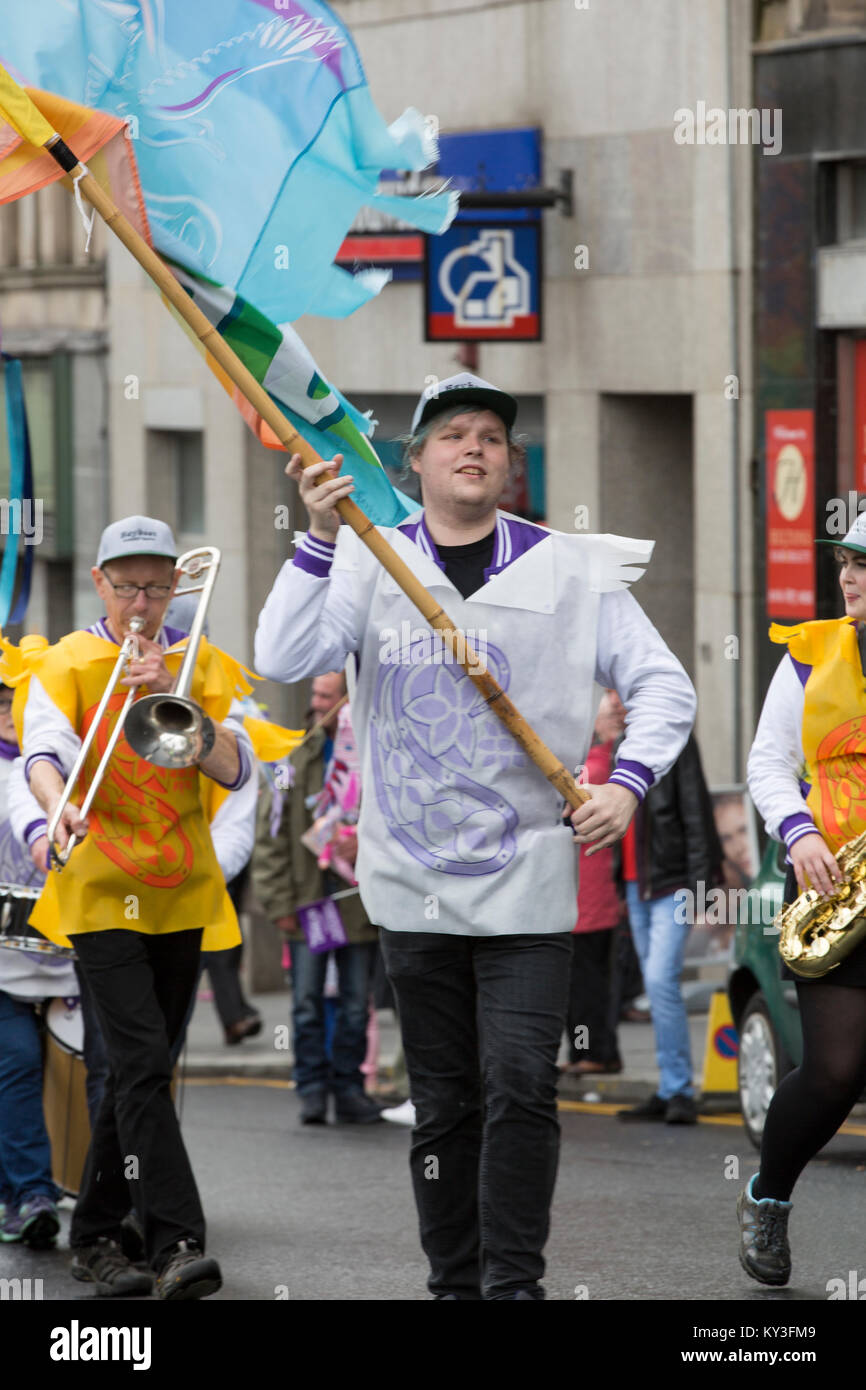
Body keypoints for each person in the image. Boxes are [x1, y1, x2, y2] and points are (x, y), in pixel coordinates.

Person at [254, 371, 696, 1299]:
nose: (474, 447)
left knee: (524, 1087)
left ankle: (513, 1286)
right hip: (409, 887)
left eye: (492, 436)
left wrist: (625, 783)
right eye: (452, 434)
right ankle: (453, 1281)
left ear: (511, 465)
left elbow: (665, 686)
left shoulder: (569, 567)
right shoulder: (372, 560)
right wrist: (322, 538)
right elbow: (284, 660)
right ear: (413, 463)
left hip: (531, 886)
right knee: (445, 1102)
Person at [19, 515, 254, 1300]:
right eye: (129, 587)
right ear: (101, 586)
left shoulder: (202, 663)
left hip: (181, 889)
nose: (143, 603)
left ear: (176, 587)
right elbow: (44, 753)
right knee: (143, 1064)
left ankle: (96, 1237)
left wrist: (167, 688)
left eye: (157, 586)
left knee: (137, 1069)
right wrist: (60, 807)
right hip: (96, 887)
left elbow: (234, 768)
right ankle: (178, 1240)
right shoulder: (68, 660)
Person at [738, 511, 866, 1286]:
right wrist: (799, 834)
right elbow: (768, 763)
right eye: (846, 561)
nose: (850, 575)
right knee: (834, 1072)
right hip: (832, 881)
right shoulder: (810, 654)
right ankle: (769, 1199)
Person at [252, 671, 382, 1124]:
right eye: (315, 694)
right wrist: (278, 904)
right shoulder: (293, 756)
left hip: (357, 900)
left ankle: (349, 1090)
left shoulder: (372, 751)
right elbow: (269, 835)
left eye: (328, 695)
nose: (317, 702)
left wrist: (365, 843)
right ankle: (310, 1088)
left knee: (353, 1002)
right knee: (306, 1000)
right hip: (307, 899)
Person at [0, 673, 78, 1248]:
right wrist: (41, 841)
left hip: (76, 956)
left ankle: (118, 1193)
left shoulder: (66, 761)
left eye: (17, 702)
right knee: (17, 1065)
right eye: (2, 705)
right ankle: (30, 1194)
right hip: (4, 961)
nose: (10, 712)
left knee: (103, 1072)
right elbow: (27, 814)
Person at [616, 721, 723, 1125]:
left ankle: (679, 1090)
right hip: (634, 886)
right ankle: (667, 1088)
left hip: (671, 882)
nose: (611, 699)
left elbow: (696, 812)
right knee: (655, 984)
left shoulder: (673, 737)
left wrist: (699, 890)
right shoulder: (617, 745)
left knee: (661, 981)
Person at [563, 690, 627, 1076]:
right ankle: (594, 1050)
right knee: (590, 978)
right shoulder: (600, 763)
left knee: (585, 981)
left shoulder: (596, 765)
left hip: (589, 892)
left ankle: (591, 1052)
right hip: (590, 890)